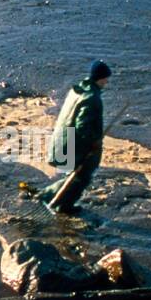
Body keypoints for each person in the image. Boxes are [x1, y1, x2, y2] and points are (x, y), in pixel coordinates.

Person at [39, 60, 109, 214]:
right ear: (101, 78)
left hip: (65, 139)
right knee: (81, 176)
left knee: (73, 175)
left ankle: (51, 198)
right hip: (74, 144)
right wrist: (93, 143)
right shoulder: (92, 98)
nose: (107, 81)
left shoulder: (78, 90)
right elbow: (83, 125)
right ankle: (60, 204)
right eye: (106, 78)